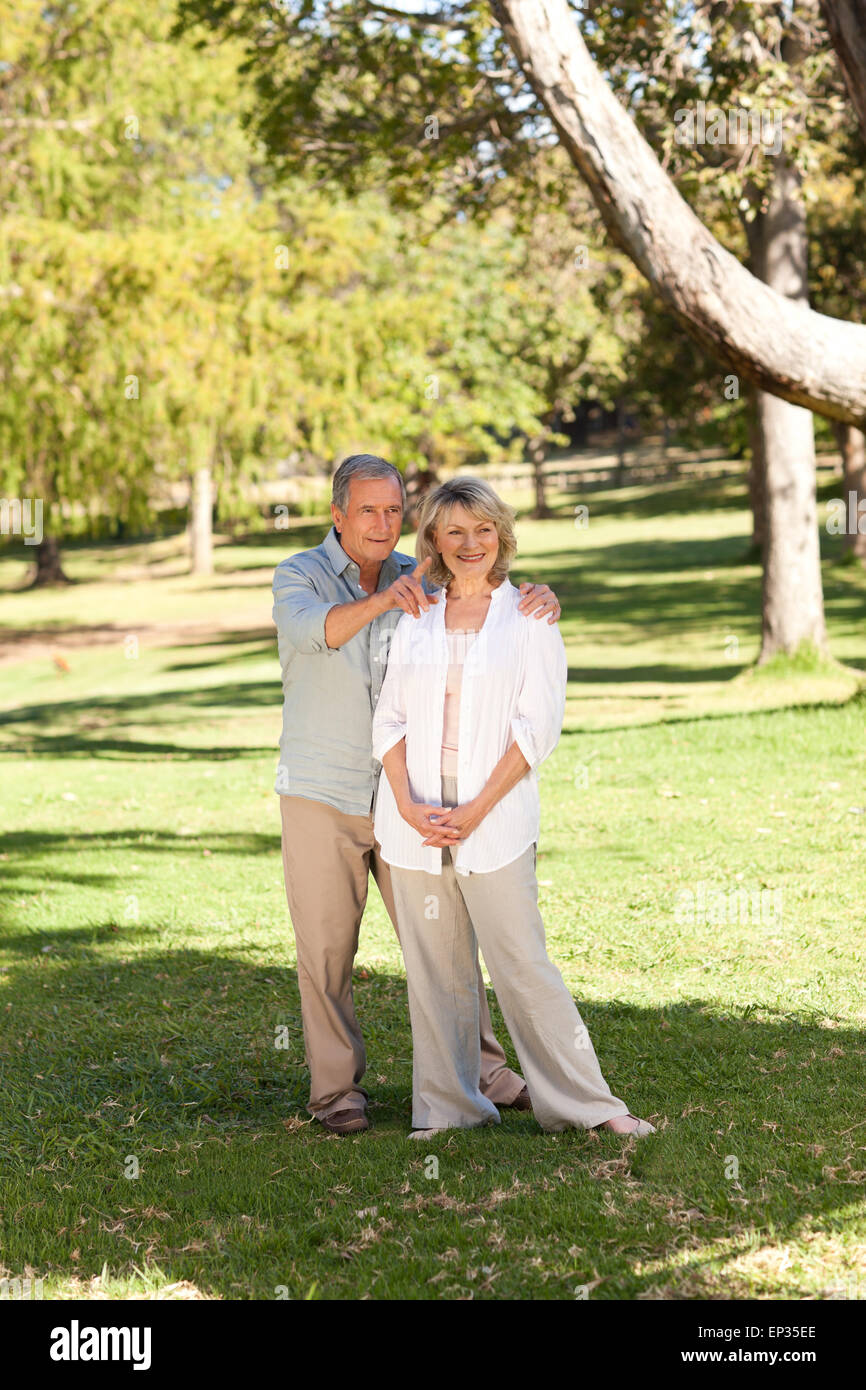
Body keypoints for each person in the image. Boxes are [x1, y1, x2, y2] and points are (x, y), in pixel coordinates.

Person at [273, 454, 563, 1135]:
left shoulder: (421, 573)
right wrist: (381, 601)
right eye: (368, 510)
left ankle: (485, 1073)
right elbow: (318, 632)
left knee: (444, 942)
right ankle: (337, 1093)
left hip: (413, 799)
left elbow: (485, 595)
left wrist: (540, 597)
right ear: (337, 515)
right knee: (326, 952)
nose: (383, 522)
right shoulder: (299, 576)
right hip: (325, 793)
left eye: (394, 510)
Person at [372, 477, 656, 1138]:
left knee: (523, 966)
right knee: (436, 973)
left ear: (500, 535)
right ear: (435, 542)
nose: (471, 544)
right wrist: (410, 803)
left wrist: (474, 809)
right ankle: (448, 1110)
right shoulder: (416, 614)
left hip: (492, 820)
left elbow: (536, 729)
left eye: (483, 530)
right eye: (455, 532)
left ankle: (589, 1108)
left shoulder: (528, 615)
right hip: (412, 820)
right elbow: (388, 720)